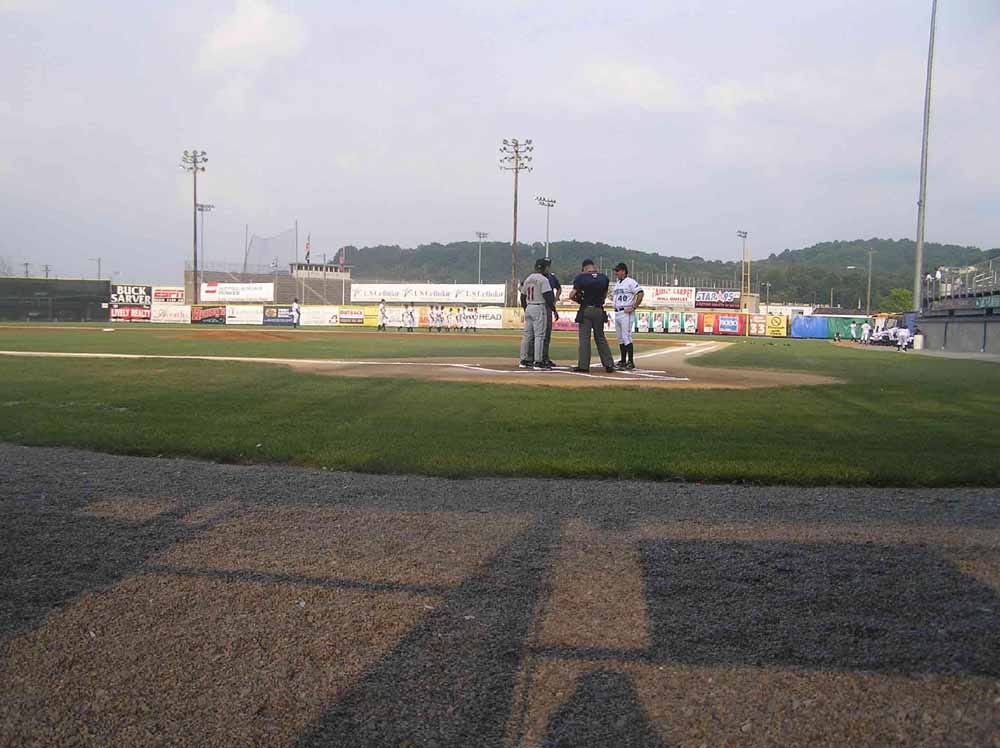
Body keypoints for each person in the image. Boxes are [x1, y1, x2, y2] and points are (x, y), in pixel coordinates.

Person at [569, 259, 616, 373]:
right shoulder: (604, 278)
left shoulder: (581, 277)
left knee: (584, 339)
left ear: (584, 268)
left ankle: (584, 366)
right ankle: (609, 364)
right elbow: (604, 295)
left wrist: (579, 300)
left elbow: (572, 295)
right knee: (600, 337)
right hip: (599, 310)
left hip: (586, 309)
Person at [519, 258, 559, 369]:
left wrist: (526, 308)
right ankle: (538, 361)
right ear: (545, 268)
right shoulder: (543, 279)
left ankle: (524, 360)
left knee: (527, 336)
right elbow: (548, 296)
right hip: (539, 306)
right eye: (547, 267)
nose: (548, 269)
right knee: (539, 336)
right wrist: (553, 310)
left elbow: (522, 296)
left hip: (529, 306)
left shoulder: (529, 278)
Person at [611, 262, 643, 369]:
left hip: (626, 312)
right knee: (620, 338)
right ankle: (623, 361)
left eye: (617, 270)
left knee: (626, 337)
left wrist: (634, 307)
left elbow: (640, 293)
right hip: (617, 312)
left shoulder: (630, 282)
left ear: (623, 271)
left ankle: (630, 361)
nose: (616, 273)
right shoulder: (617, 283)